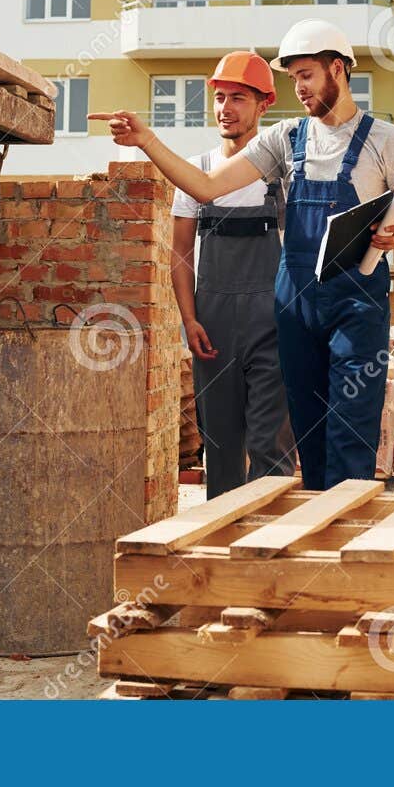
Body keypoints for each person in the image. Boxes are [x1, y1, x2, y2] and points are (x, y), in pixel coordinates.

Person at [93, 19, 394, 488]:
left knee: (350, 425)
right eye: (292, 78)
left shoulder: (385, 142)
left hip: (356, 303)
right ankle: (313, 535)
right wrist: (147, 141)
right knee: (307, 433)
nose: (300, 89)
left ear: (338, 69)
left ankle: (349, 535)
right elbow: (207, 186)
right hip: (296, 306)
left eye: (307, 76)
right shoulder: (286, 139)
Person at [169, 51, 295, 498]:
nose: (226, 108)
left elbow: (301, 248)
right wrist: (189, 320)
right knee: (219, 445)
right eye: (220, 97)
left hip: (271, 319)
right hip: (213, 321)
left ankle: (269, 544)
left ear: (264, 105)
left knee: (270, 442)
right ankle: (219, 547)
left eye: (238, 98)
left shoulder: (281, 176)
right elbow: (180, 253)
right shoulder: (196, 171)